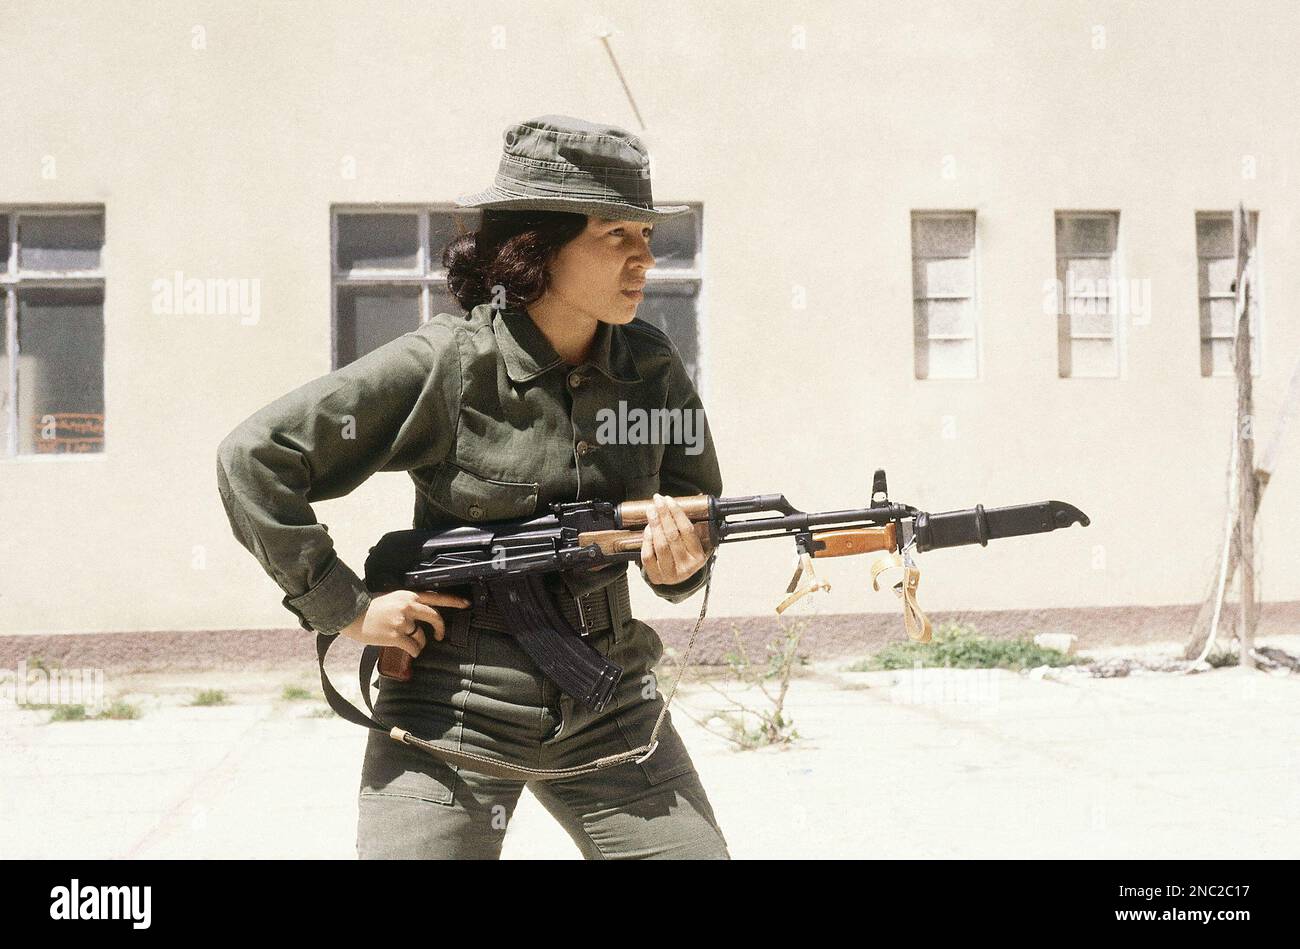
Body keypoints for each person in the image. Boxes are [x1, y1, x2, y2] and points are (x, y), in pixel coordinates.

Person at [216, 114, 730, 859]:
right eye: (617, 235)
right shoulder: (448, 364)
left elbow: (696, 516)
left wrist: (681, 565)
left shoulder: (650, 368)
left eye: (647, 236)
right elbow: (253, 457)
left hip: (610, 699)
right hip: (454, 707)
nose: (643, 259)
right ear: (540, 243)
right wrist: (348, 608)